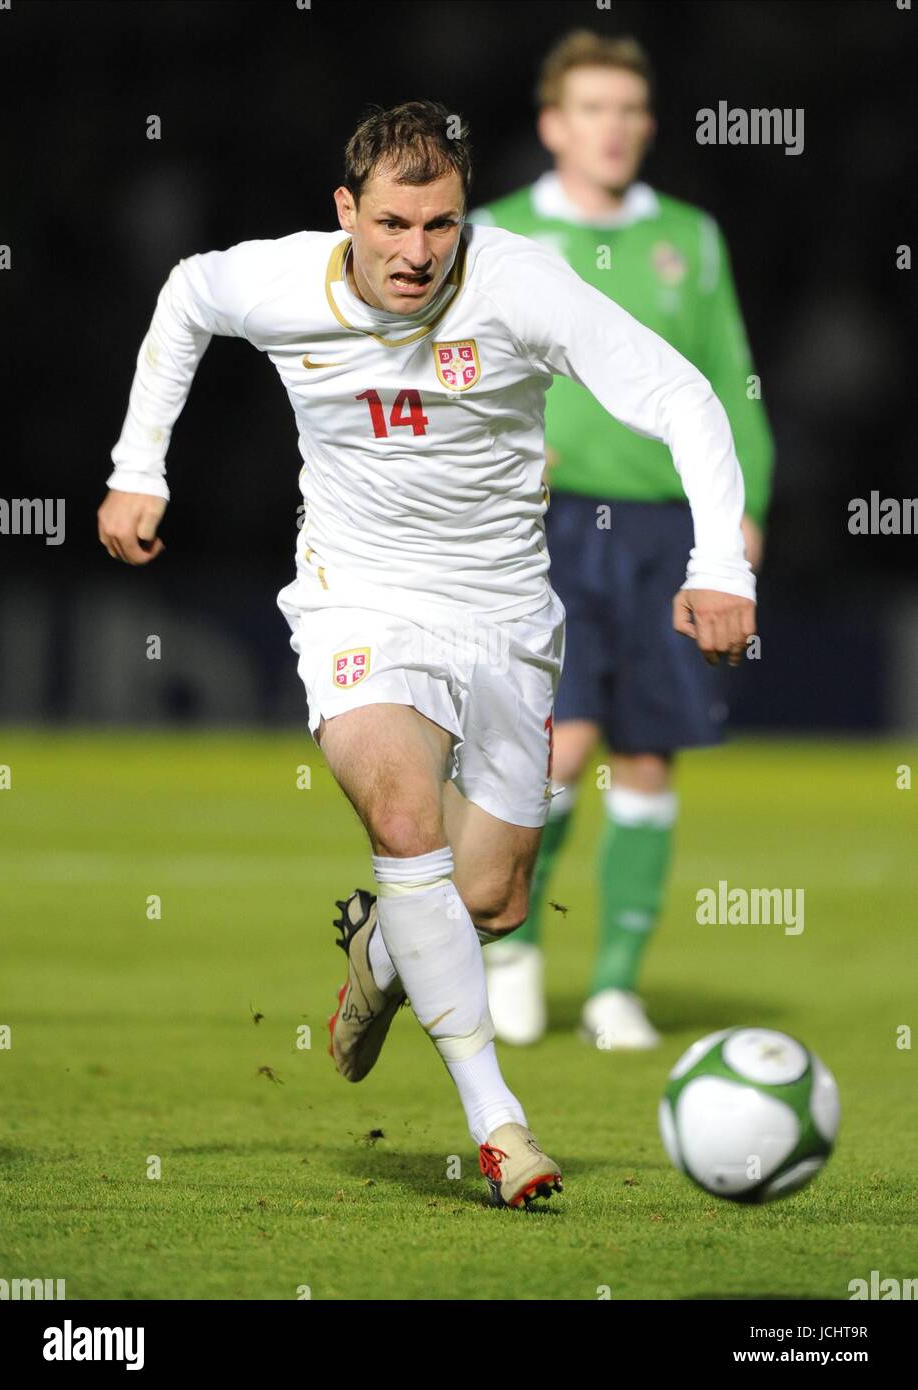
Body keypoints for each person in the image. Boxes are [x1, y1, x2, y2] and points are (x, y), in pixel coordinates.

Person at [98, 100, 756, 1208]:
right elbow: (184, 299)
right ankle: (499, 1126)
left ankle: (387, 951)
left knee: (489, 900)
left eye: (440, 225)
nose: (416, 254)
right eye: (393, 224)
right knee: (404, 824)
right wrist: (139, 466)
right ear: (346, 210)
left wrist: (720, 568)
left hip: (501, 614)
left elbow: (685, 397)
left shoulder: (519, 283)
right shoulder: (278, 281)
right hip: (354, 599)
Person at [471, 34, 773, 1050]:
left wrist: (743, 513)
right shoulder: (495, 233)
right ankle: (512, 950)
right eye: (591, 108)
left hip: (666, 526)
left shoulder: (689, 236)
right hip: (544, 526)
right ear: (554, 124)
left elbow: (732, 380)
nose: (612, 127)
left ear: (645, 124)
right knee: (558, 749)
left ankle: (612, 988)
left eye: (628, 109)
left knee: (649, 754)